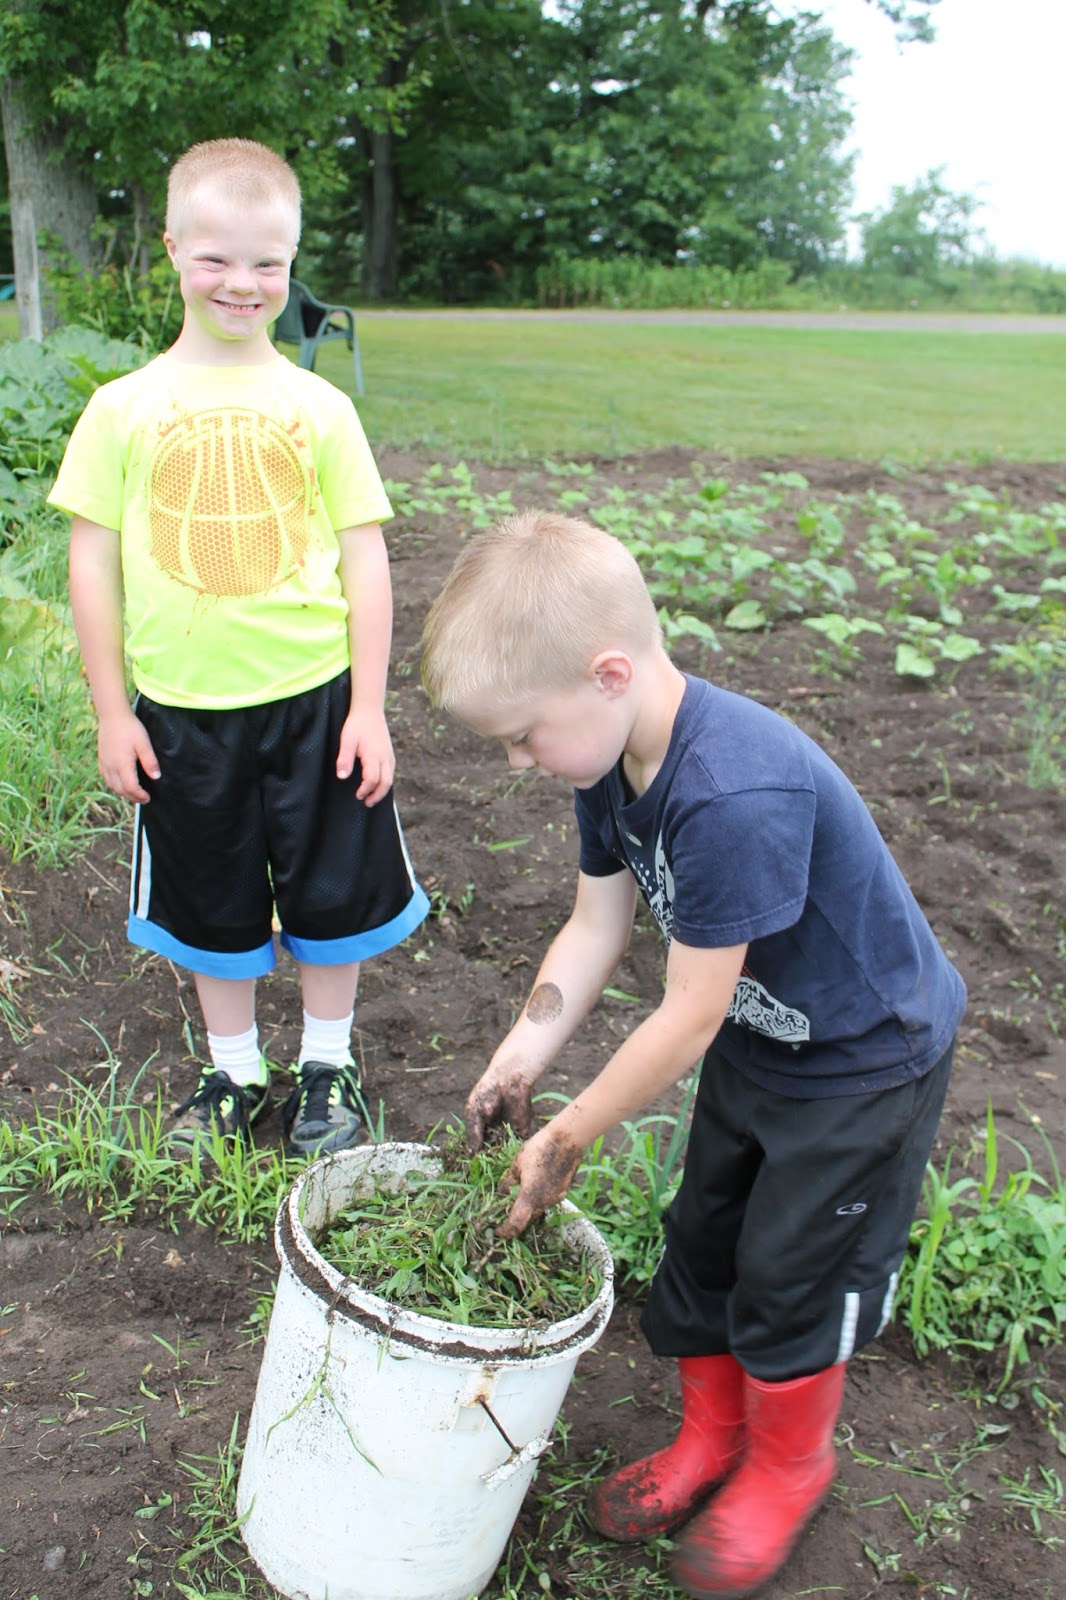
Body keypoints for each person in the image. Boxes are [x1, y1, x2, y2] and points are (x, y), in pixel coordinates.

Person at [420, 508, 966, 1600]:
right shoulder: (608, 762)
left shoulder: (732, 794)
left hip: (863, 1064)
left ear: (609, 673)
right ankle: (713, 1436)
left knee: (792, 1274)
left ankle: (787, 1465)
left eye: (522, 735)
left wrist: (569, 1134)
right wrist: (519, 1059)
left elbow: (687, 1016)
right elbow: (594, 927)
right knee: (705, 1238)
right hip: (767, 1042)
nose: (520, 762)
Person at [49, 138, 428, 1159]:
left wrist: (368, 707)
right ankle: (234, 1072)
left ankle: (327, 1065)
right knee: (209, 898)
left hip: (317, 702)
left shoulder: (320, 408)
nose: (242, 282)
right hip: (181, 712)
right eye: (216, 257)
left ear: (293, 261)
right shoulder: (121, 408)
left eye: (268, 261)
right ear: (172, 250)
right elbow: (92, 566)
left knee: (332, 893)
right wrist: (113, 711)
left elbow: (366, 560)